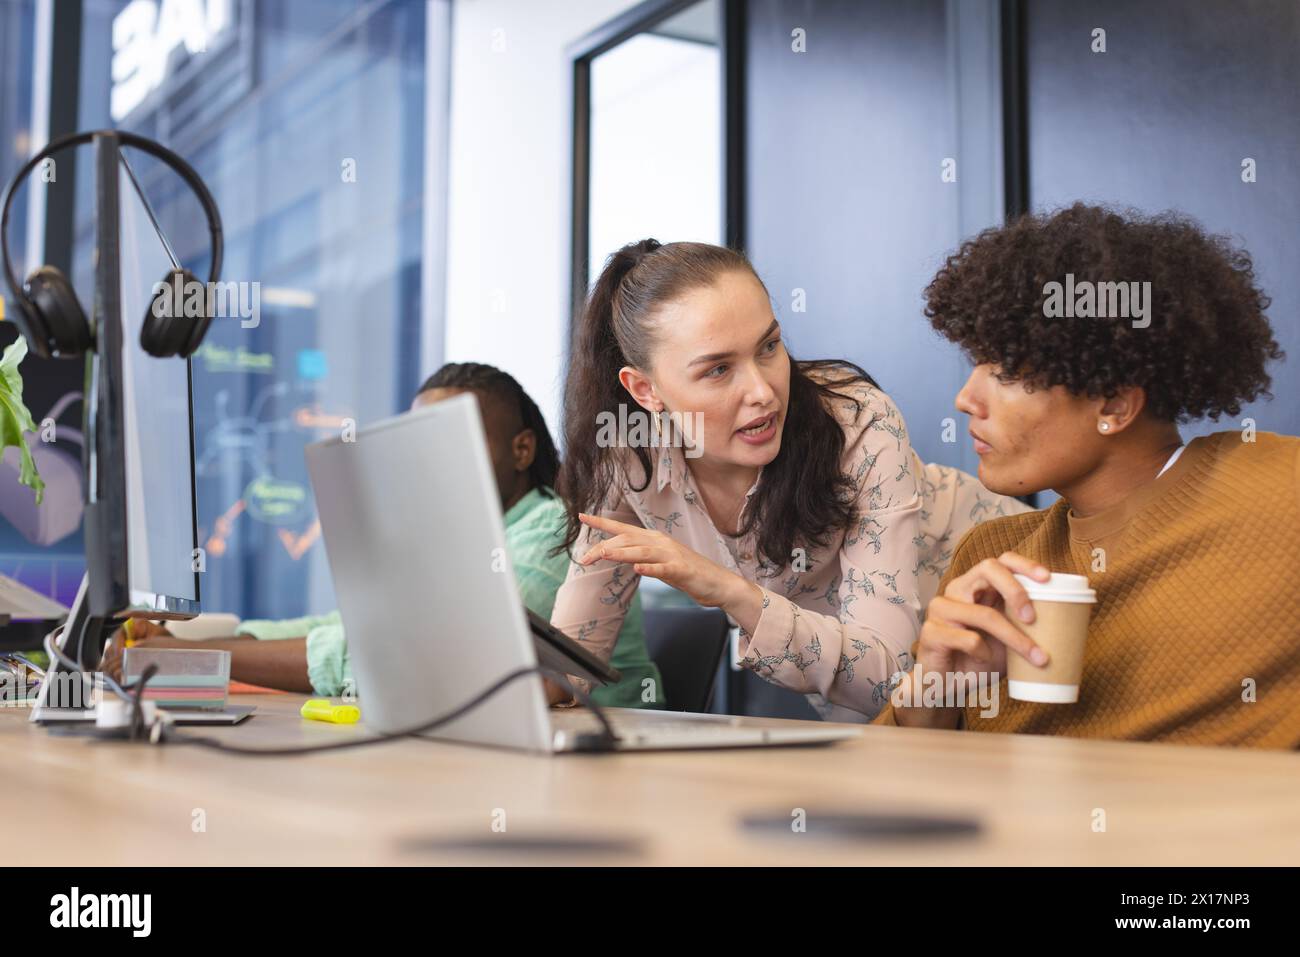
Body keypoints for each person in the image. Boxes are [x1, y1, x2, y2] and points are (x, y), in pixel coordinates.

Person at [549, 239, 1029, 722]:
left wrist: (727, 590)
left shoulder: (856, 422)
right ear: (645, 390)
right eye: (718, 369)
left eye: (769, 347)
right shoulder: (630, 456)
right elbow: (570, 665)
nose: (763, 392)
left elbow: (888, 675)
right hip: (900, 711)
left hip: (1018, 603)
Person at [874, 203, 1300, 748]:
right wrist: (935, 690)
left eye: (1005, 373)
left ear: (1115, 404)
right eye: (975, 364)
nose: (965, 399)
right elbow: (891, 781)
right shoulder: (991, 558)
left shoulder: (1274, 485)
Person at [102, 363, 664, 710]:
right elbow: (346, 629)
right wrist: (188, 647)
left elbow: (402, 656)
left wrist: (179, 656)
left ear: (521, 450)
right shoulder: (454, 544)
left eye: (449, 441)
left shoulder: (549, 532)